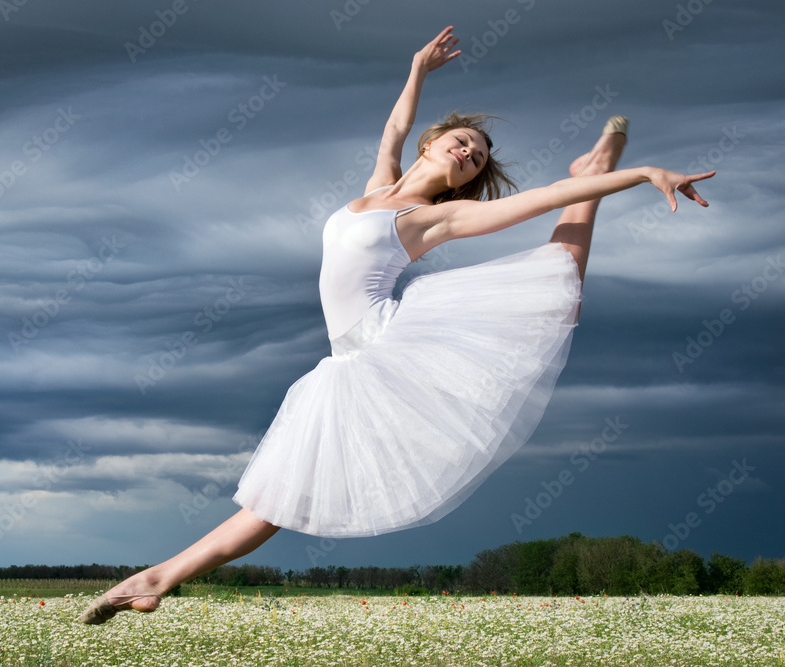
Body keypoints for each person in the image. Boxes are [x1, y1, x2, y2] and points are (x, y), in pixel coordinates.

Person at [79, 26, 714, 624]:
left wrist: (642, 174)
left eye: (477, 158)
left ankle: (591, 181)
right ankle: (157, 578)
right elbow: (393, 128)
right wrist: (417, 69)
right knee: (277, 498)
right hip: (346, 363)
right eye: (462, 141)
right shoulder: (379, 186)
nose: (469, 153)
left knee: (558, 283)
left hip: (387, 346)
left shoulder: (436, 217)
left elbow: (534, 201)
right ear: (432, 143)